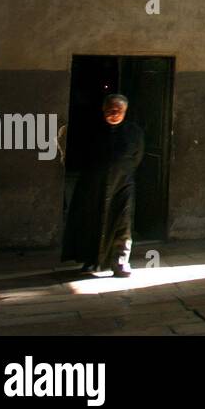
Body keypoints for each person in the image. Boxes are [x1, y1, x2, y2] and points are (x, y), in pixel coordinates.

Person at [61, 93, 145, 277]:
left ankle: (120, 261)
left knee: (121, 225)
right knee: (91, 222)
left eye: (118, 110)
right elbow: (81, 155)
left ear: (125, 111)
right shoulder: (92, 131)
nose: (114, 114)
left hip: (121, 185)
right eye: (110, 109)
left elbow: (136, 157)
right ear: (103, 109)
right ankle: (90, 260)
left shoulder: (133, 132)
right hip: (93, 185)